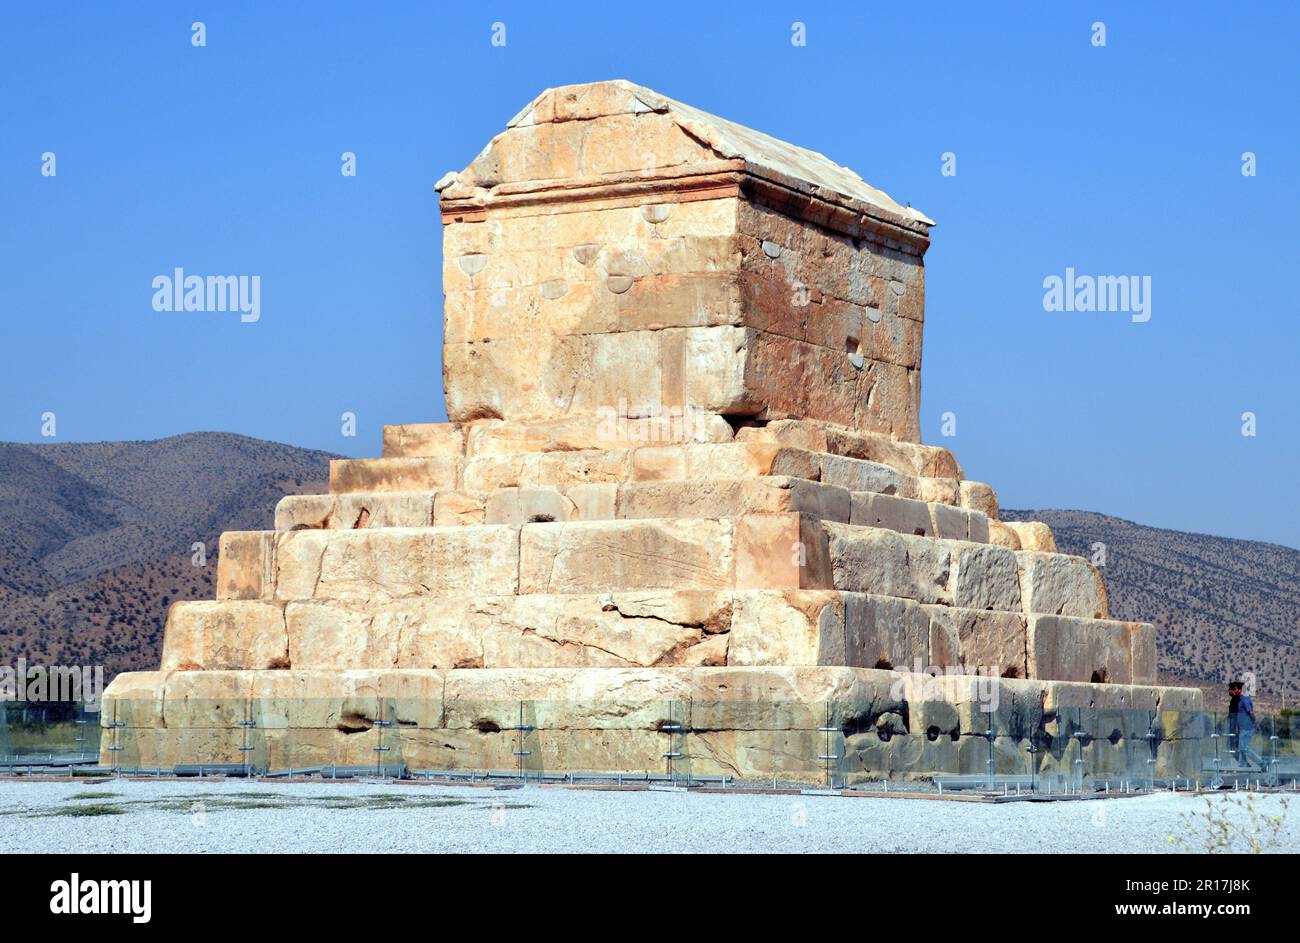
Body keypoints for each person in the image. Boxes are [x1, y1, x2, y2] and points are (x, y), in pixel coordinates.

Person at [1228, 680, 1266, 771]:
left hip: (1247, 727)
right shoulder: (1239, 699)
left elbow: (1250, 712)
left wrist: (1254, 723)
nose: (1230, 691)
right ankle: (1242, 767)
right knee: (1242, 748)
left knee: (1244, 748)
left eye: (1232, 689)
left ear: (1238, 689)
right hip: (1243, 728)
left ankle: (1262, 763)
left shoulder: (1244, 698)